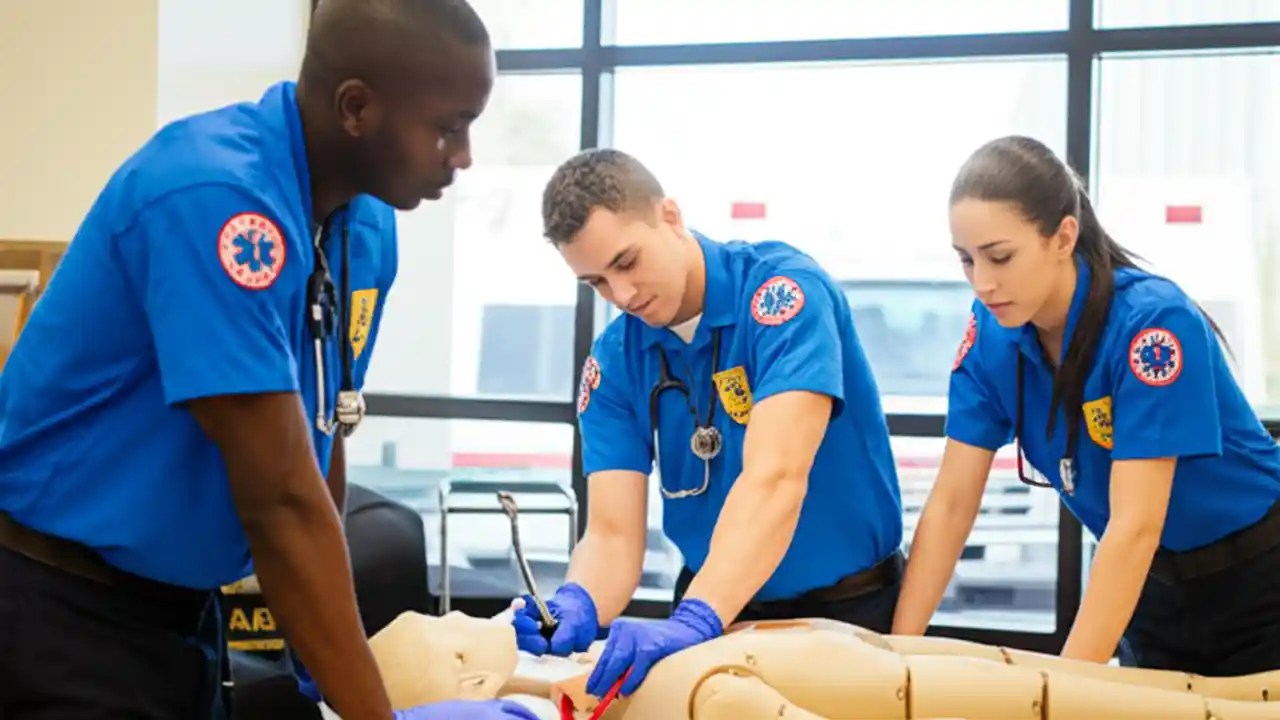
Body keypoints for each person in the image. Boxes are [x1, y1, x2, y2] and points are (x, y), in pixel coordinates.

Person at [0, 1, 537, 719]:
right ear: (356, 108)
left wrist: (326, 640)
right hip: (57, 609)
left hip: (184, 617)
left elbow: (325, 431)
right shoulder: (213, 197)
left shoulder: (365, 228)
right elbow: (278, 495)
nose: (464, 156)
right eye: (448, 127)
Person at [510, 148, 905, 697]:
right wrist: (577, 601)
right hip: (711, 617)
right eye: (597, 282)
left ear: (670, 216)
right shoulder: (618, 357)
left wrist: (698, 618)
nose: (621, 296)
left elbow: (776, 479)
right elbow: (612, 532)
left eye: (626, 262)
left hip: (847, 614)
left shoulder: (782, 298)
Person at [892, 135, 1280, 675]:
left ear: (1063, 236)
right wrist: (894, 654)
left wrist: (1065, 687)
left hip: (1261, 580)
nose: (982, 282)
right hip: (1151, 589)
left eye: (1000, 257)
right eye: (966, 260)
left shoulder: (1151, 325)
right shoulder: (991, 337)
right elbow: (952, 503)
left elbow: (1135, 524)